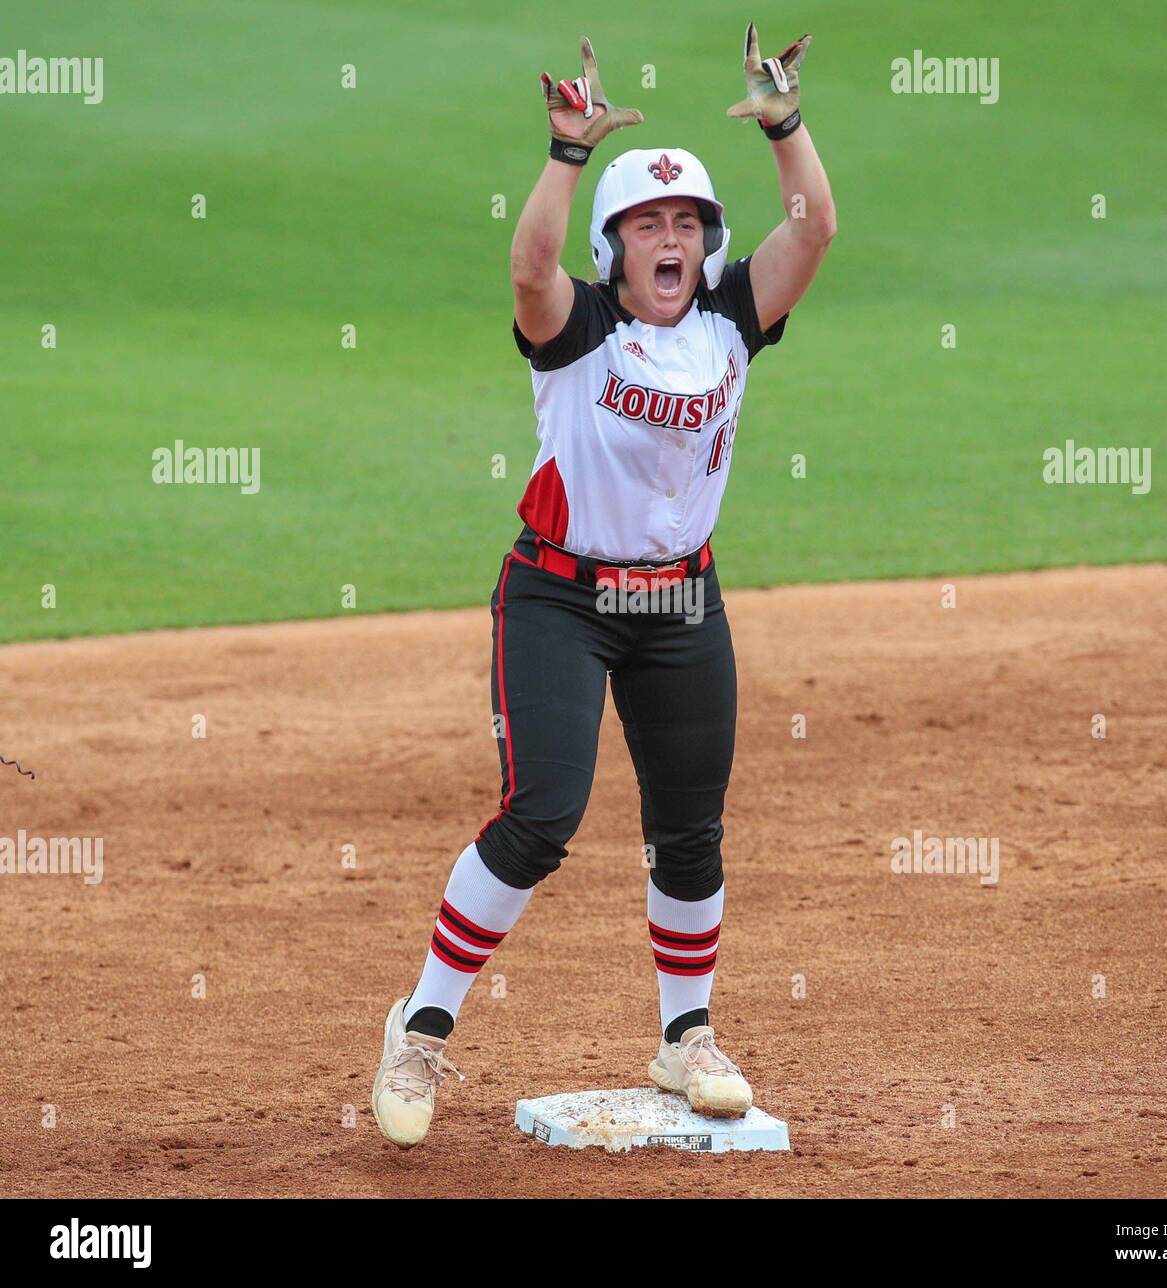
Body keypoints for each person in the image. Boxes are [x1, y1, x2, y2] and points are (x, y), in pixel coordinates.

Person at [373, 25, 835, 1148]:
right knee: (543, 812)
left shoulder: (732, 321)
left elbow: (814, 226)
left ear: (706, 243)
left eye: (686, 224)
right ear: (615, 246)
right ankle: (419, 1028)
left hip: (681, 602)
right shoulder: (575, 327)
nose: (670, 240)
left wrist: (784, 123)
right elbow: (528, 265)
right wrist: (566, 151)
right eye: (648, 227)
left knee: (691, 830)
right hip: (561, 600)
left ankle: (687, 1038)